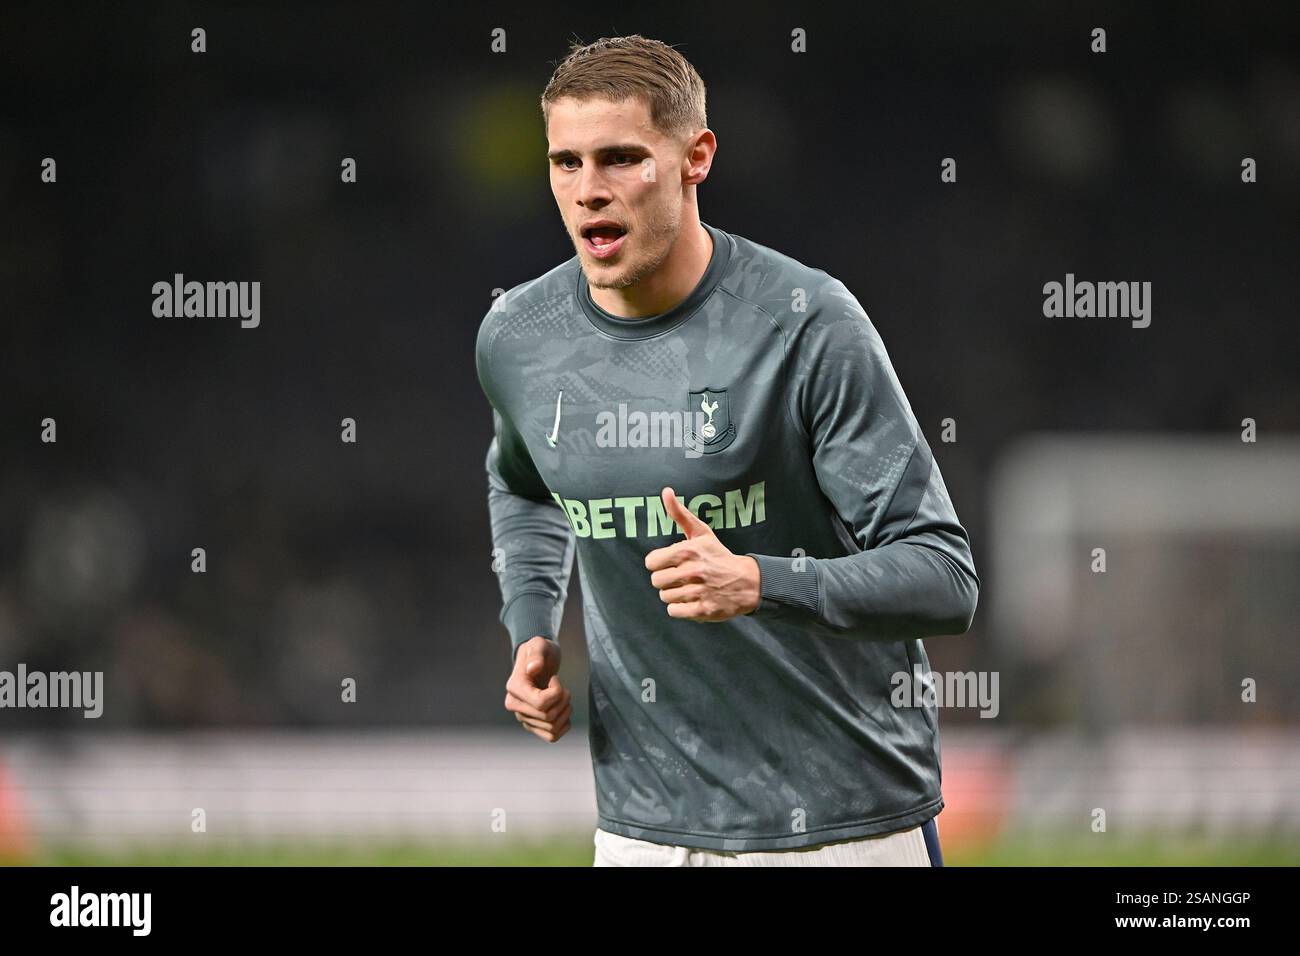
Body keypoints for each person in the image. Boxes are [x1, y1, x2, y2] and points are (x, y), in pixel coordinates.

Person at [475, 35, 978, 866]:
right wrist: (532, 628)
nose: (589, 189)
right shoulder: (519, 336)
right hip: (641, 831)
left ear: (695, 157)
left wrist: (759, 582)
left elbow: (943, 578)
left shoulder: (807, 325)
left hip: (843, 824)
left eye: (621, 158)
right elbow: (522, 487)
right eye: (566, 162)